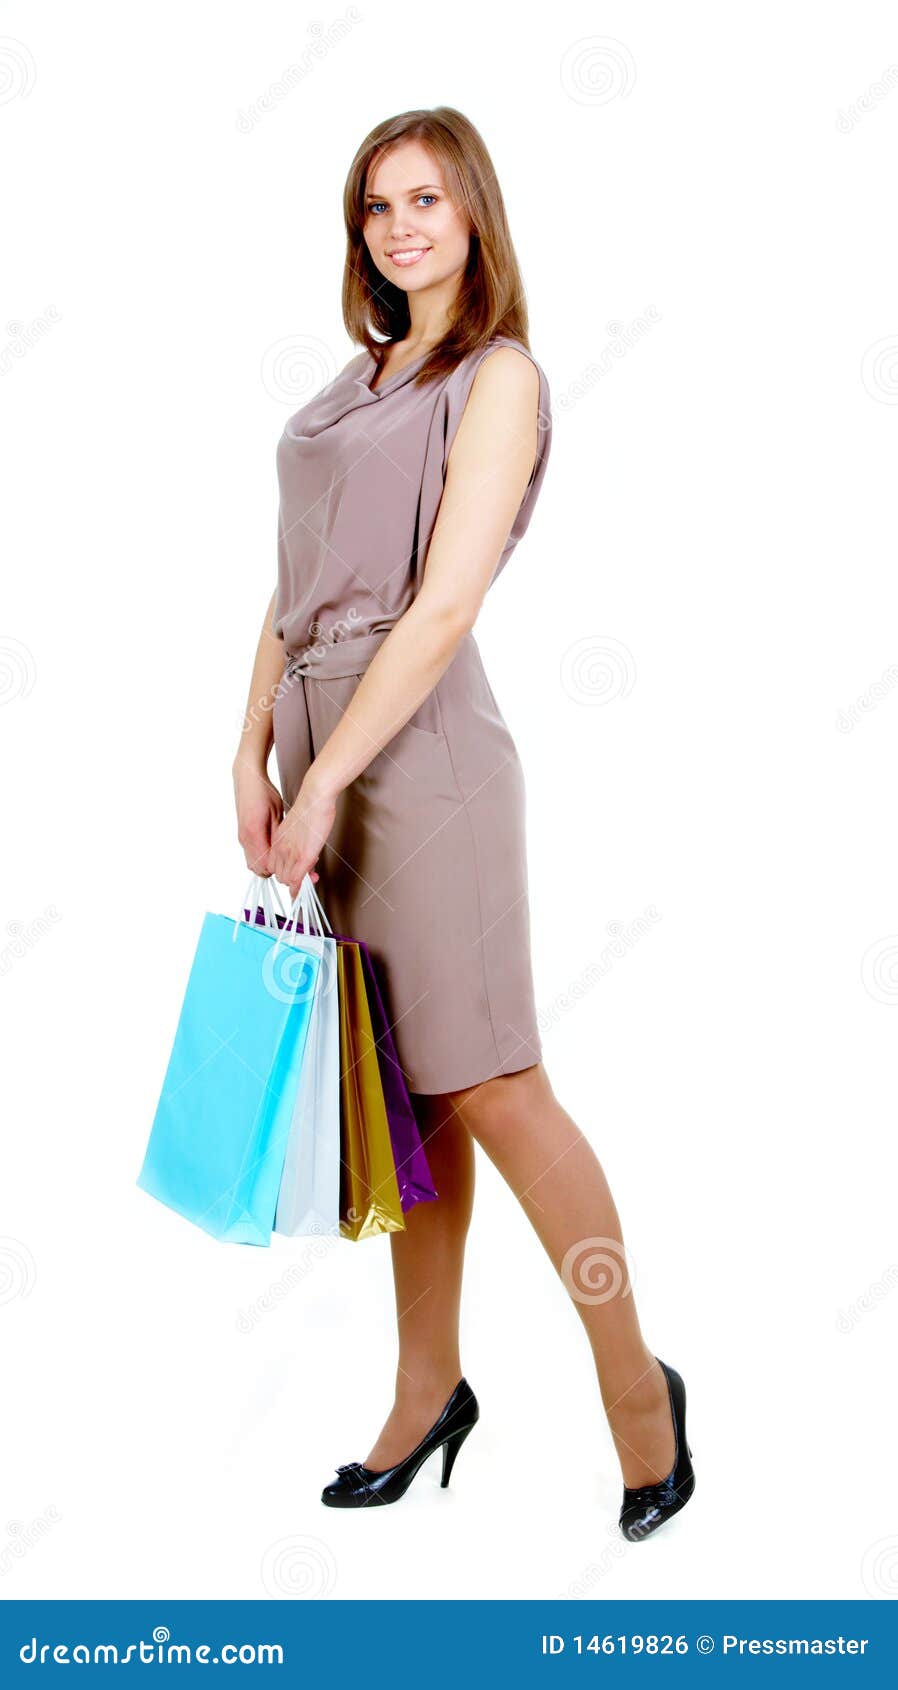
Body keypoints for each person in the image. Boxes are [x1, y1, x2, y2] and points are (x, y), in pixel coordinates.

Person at [232, 106, 694, 1541]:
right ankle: (425, 1387)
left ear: (473, 216)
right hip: (315, 734)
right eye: (376, 207)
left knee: (491, 1080)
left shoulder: (496, 378)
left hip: (421, 760)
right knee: (405, 1102)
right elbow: (289, 581)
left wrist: (324, 779)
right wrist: (249, 743)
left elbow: (438, 611)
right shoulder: (350, 383)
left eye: (425, 200)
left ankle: (637, 1392)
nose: (400, 226)